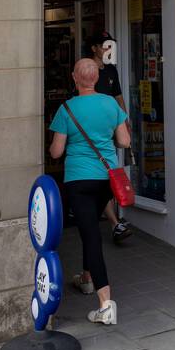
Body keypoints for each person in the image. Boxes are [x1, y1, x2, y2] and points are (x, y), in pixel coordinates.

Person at [48, 57, 131, 325]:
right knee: (90, 229)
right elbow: (124, 140)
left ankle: (106, 304)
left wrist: (55, 147)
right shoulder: (110, 104)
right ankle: (86, 278)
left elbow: (57, 151)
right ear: (96, 78)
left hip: (79, 181)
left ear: (74, 78)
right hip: (106, 180)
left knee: (92, 237)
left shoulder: (66, 109)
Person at [88, 30, 134, 245]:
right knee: (103, 175)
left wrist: (124, 120)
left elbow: (118, 97)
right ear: (94, 48)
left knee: (108, 174)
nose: (108, 49)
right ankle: (114, 223)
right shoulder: (86, 70)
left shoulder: (111, 71)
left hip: (110, 129)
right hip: (93, 131)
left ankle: (112, 222)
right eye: (104, 45)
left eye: (110, 45)